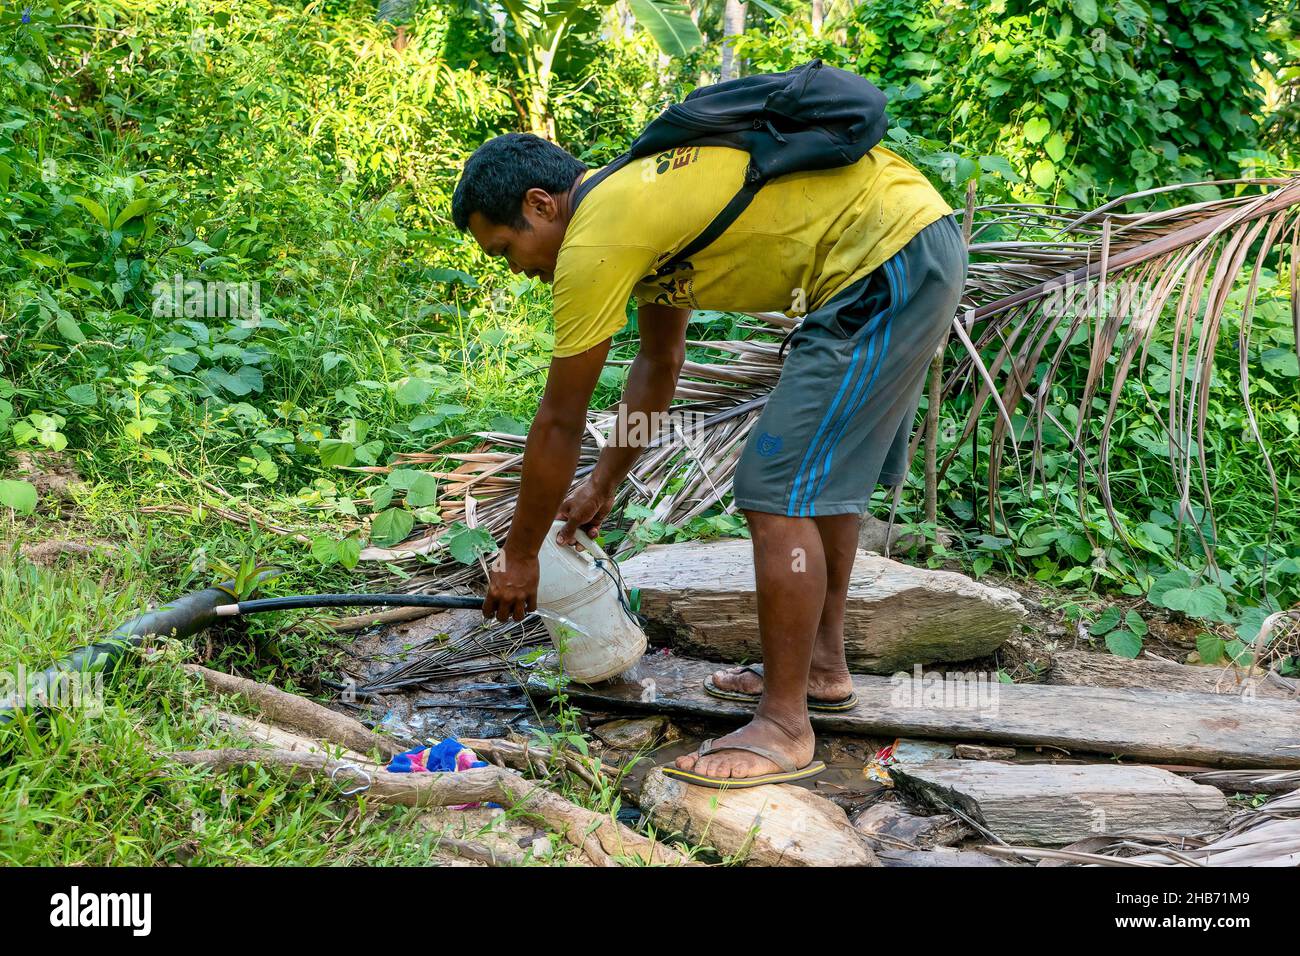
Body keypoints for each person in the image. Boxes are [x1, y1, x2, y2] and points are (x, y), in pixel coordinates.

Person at [451, 129, 967, 787]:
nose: (517, 268)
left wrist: (520, 558)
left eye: (506, 248)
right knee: (818, 482)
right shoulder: (636, 205)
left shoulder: (597, 237)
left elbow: (559, 421)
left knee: (773, 487)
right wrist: (607, 478)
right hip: (903, 246)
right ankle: (820, 668)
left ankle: (784, 726)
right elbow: (660, 361)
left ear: (541, 205)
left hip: (884, 261)